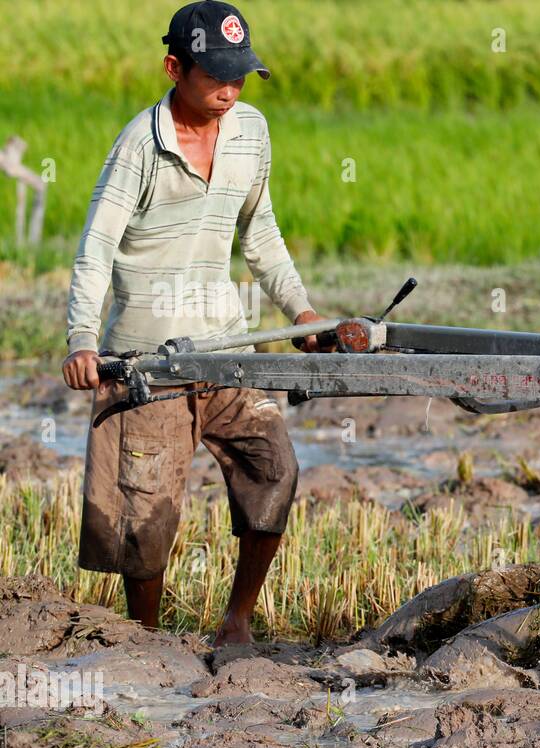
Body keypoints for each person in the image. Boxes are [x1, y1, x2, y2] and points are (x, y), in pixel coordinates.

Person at [61, 2, 324, 646]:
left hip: (226, 346)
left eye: (240, 76)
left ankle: (236, 622)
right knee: (144, 521)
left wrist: (302, 310)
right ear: (175, 68)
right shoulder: (138, 147)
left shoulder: (251, 132)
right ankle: (147, 645)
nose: (229, 91)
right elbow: (96, 246)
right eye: (215, 77)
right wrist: (82, 339)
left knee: (274, 468)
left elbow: (260, 232)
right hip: (147, 363)